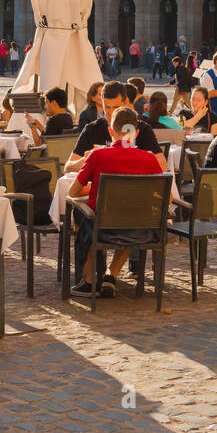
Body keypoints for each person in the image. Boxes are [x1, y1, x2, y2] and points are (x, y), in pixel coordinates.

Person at [66, 106, 165, 296]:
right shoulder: (149, 159)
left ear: (111, 131)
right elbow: (165, 197)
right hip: (139, 229)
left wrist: (95, 188)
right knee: (131, 214)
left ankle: (90, 280)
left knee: (80, 213)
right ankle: (111, 275)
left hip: (101, 227)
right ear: (135, 133)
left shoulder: (97, 155)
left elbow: (73, 191)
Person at [66, 80, 162, 172]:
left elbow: (163, 165)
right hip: (100, 186)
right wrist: (85, 160)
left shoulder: (142, 129)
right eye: (107, 107)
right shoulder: (92, 129)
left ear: (125, 103)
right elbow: (68, 167)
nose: (111, 112)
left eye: (116, 107)